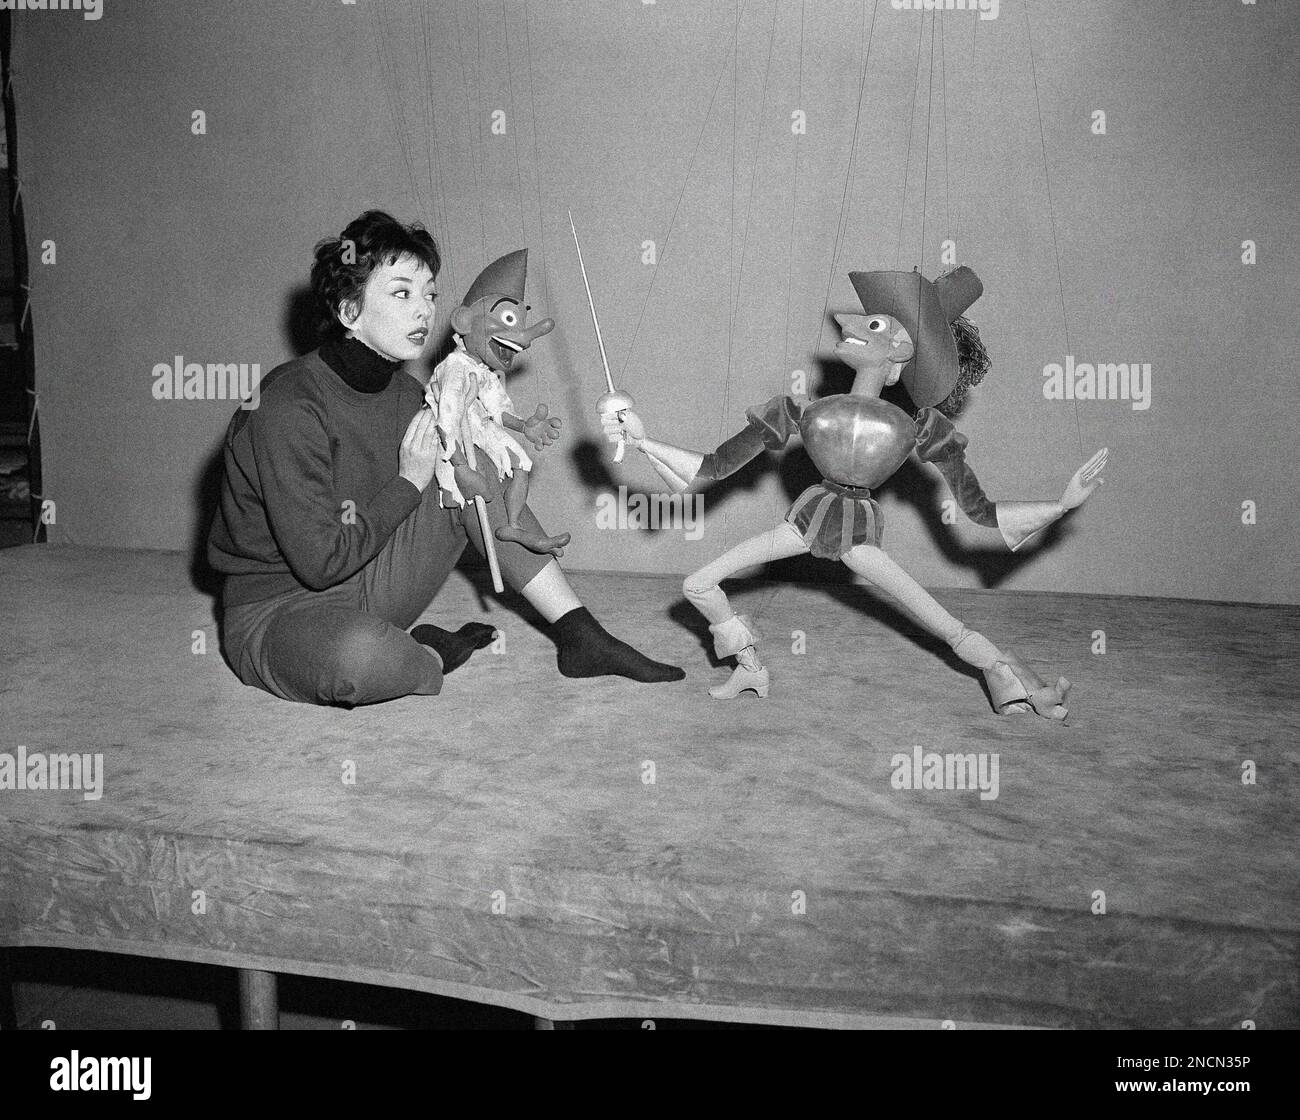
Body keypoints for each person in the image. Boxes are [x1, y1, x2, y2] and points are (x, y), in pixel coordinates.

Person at [207, 210, 683, 706]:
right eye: (402, 293)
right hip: (279, 612)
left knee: (469, 455)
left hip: (369, 580)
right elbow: (321, 564)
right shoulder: (288, 407)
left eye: (430, 294)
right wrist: (409, 484)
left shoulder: (407, 393)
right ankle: (429, 654)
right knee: (361, 662)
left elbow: (473, 466)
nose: (424, 311)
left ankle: (579, 635)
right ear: (350, 312)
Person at [603, 266, 1106, 719]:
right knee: (697, 584)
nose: (850, 324)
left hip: (859, 537)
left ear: (901, 355)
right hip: (804, 523)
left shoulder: (919, 426)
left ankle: (1018, 681)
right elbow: (714, 467)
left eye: (877, 326)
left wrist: (1060, 505)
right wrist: (645, 443)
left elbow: (978, 508)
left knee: (942, 623)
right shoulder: (803, 410)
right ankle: (749, 665)